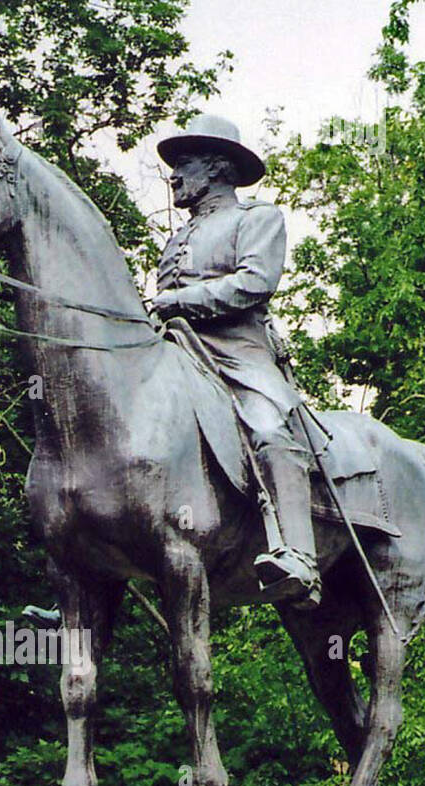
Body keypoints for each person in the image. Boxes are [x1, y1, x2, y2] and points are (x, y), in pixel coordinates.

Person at [153, 114, 320, 608]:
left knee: (270, 429)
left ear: (218, 168)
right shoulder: (178, 236)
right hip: (174, 349)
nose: (174, 175)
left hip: (237, 353)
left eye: (185, 164)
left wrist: (180, 301)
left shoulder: (257, 218)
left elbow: (254, 283)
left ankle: (299, 557)